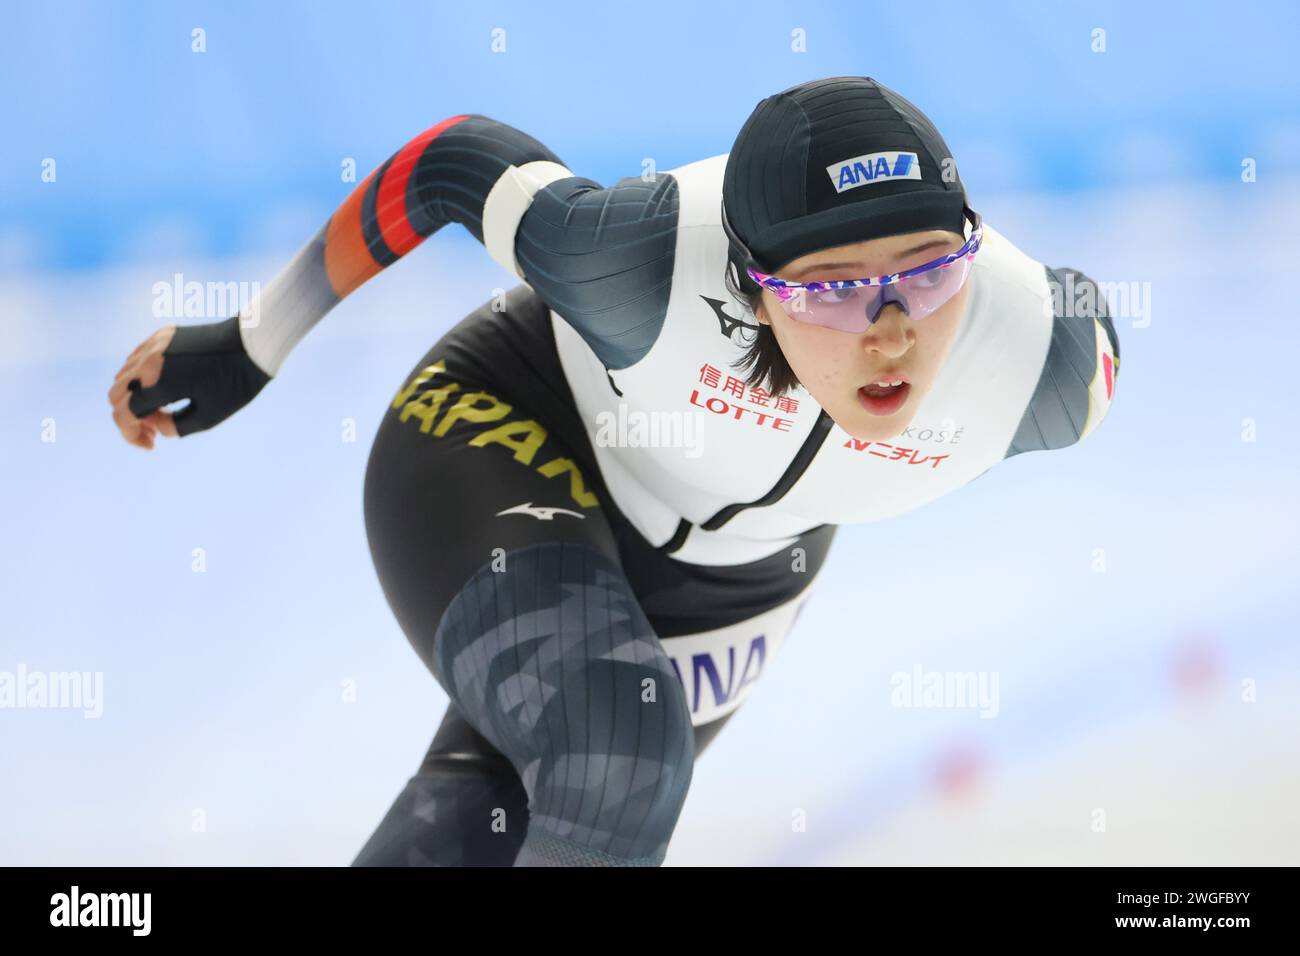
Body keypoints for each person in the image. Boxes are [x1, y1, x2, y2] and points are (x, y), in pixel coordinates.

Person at [107, 76, 1120, 866]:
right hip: (514, 425)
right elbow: (452, 161)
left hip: (746, 567)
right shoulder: (637, 264)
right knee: (618, 754)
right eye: (834, 290)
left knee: (493, 816)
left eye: (929, 271)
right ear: (750, 287)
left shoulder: (1044, 362)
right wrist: (249, 340)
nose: (892, 333)